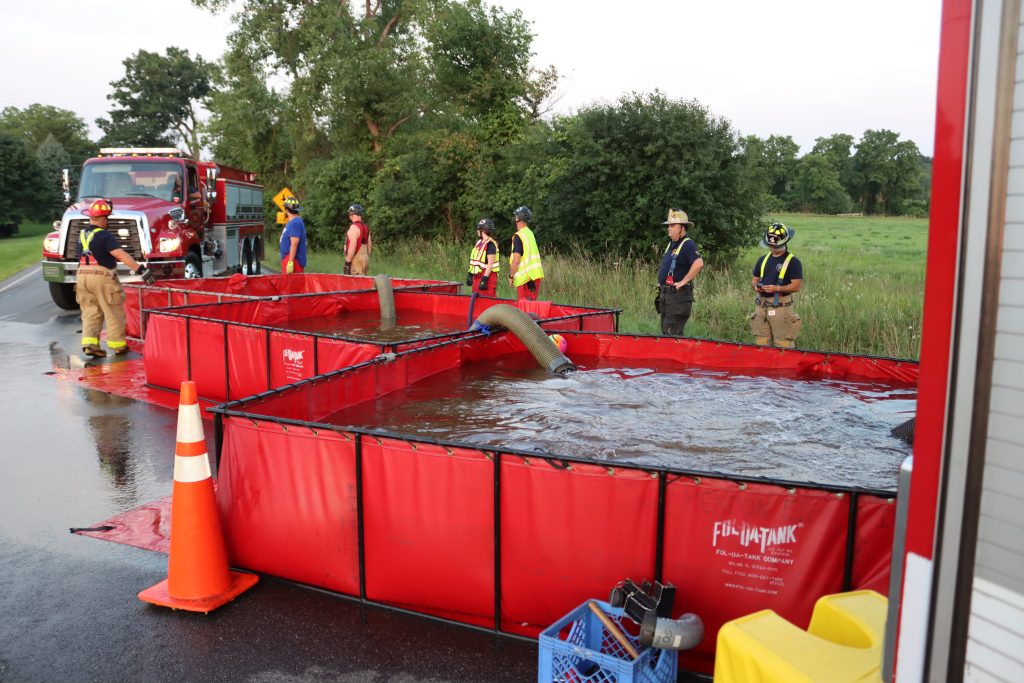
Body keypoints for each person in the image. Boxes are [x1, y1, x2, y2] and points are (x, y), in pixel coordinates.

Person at [76, 198, 155, 358]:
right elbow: (119, 254)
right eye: (107, 218)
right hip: (102, 277)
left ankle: (90, 344)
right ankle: (118, 346)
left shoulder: (82, 235)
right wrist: (141, 270)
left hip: (82, 277)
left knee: (91, 311)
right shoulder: (104, 236)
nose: (108, 222)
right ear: (103, 218)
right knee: (113, 310)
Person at [749, 222, 804, 347]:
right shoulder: (763, 259)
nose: (772, 248)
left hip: (781, 308)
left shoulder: (793, 262)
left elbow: (797, 286)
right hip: (761, 307)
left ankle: (785, 366)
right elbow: (754, 279)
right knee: (761, 344)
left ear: (784, 242)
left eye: (775, 246)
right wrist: (756, 287)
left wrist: (777, 288)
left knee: (783, 343)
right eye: (771, 245)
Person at [656, 208, 705, 336]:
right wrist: (662, 284)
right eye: (668, 226)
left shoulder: (688, 244)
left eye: (672, 225)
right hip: (668, 297)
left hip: (678, 299)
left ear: (682, 228)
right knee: (668, 331)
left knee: (672, 334)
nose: (669, 228)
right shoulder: (672, 244)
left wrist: (683, 281)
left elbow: (699, 263)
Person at [507, 205, 544, 300]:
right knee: (530, 310)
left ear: (517, 218)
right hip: (534, 277)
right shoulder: (530, 233)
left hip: (526, 279)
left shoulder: (518, 236)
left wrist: (510, 277)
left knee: (524, 310)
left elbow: (516, 260)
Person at [466, 218, 500, 296]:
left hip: (487, 278)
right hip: (477, 277)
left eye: (479, 229)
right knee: (476, 303)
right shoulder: (479, 243)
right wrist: (470, 274)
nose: (477, 231)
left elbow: (490, 263)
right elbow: (475, 261)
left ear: (483, 230)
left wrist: (484, 279)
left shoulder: (491, 244)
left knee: (487, 303)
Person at [279, 196, 307, 274]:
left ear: (287, 210)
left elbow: (294, 244)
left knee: (292, 285)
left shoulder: (295, 223)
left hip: (293, 260)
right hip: (289, 258)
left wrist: (290, 262)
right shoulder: (294, 222)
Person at [345, 203, 372, 275]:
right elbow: (369, 247)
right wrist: (366, 258)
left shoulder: (353, 228)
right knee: (364, 283)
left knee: (354, 284)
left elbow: (352, 247)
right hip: (365, 260)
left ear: (351, 214)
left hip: (355, 261)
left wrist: (347, 263)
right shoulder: (366, 227)